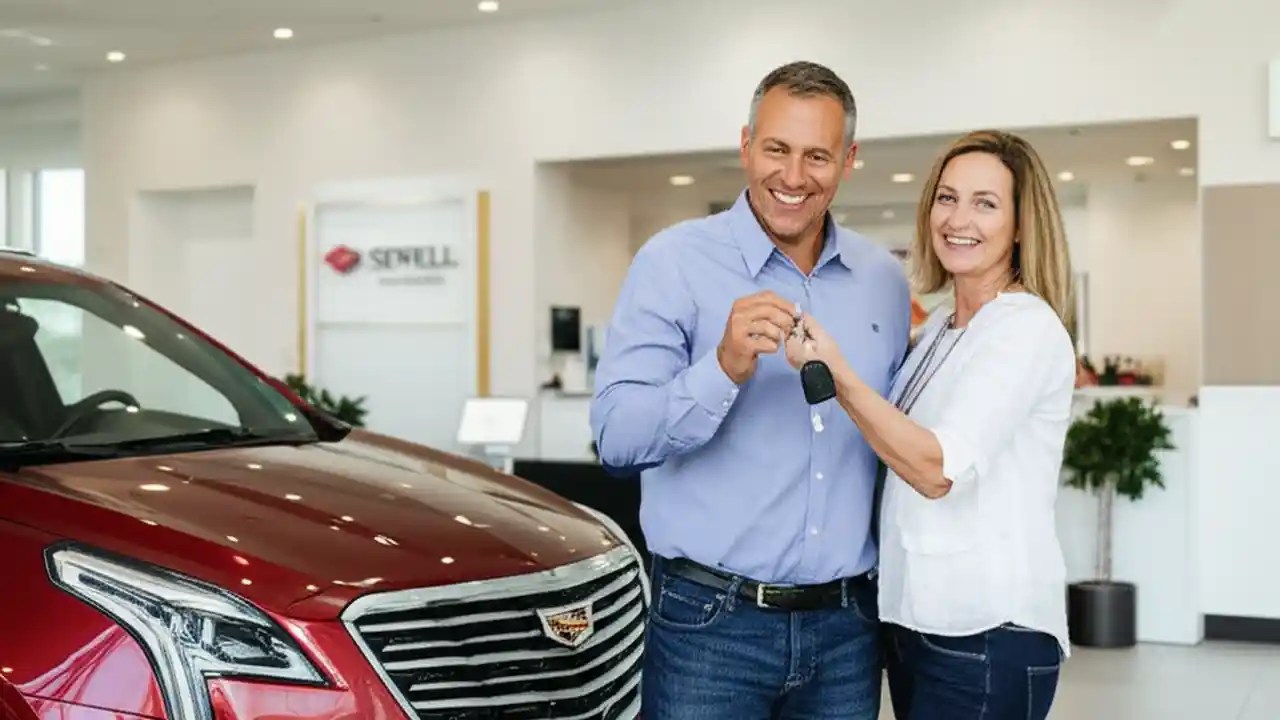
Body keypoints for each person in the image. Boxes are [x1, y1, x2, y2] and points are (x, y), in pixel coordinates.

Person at [590, 60, 911, 718]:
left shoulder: (883, 280)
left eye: (817, 155)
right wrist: (722, 367)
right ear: (745, 145)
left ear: (848, 161)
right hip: (710, 630)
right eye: (776, 149)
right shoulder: (672, 263)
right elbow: (616, 437)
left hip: (849, 630)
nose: (793, 176)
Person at [784, 129, 1077, 719]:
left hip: (986, 631)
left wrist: (837, 374)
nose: (958, 219)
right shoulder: (943, 327)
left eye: (985, 203)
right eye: (947, 198)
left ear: (1021, 225)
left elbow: (936, 469)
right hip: (917, 624)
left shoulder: (1024, 328)